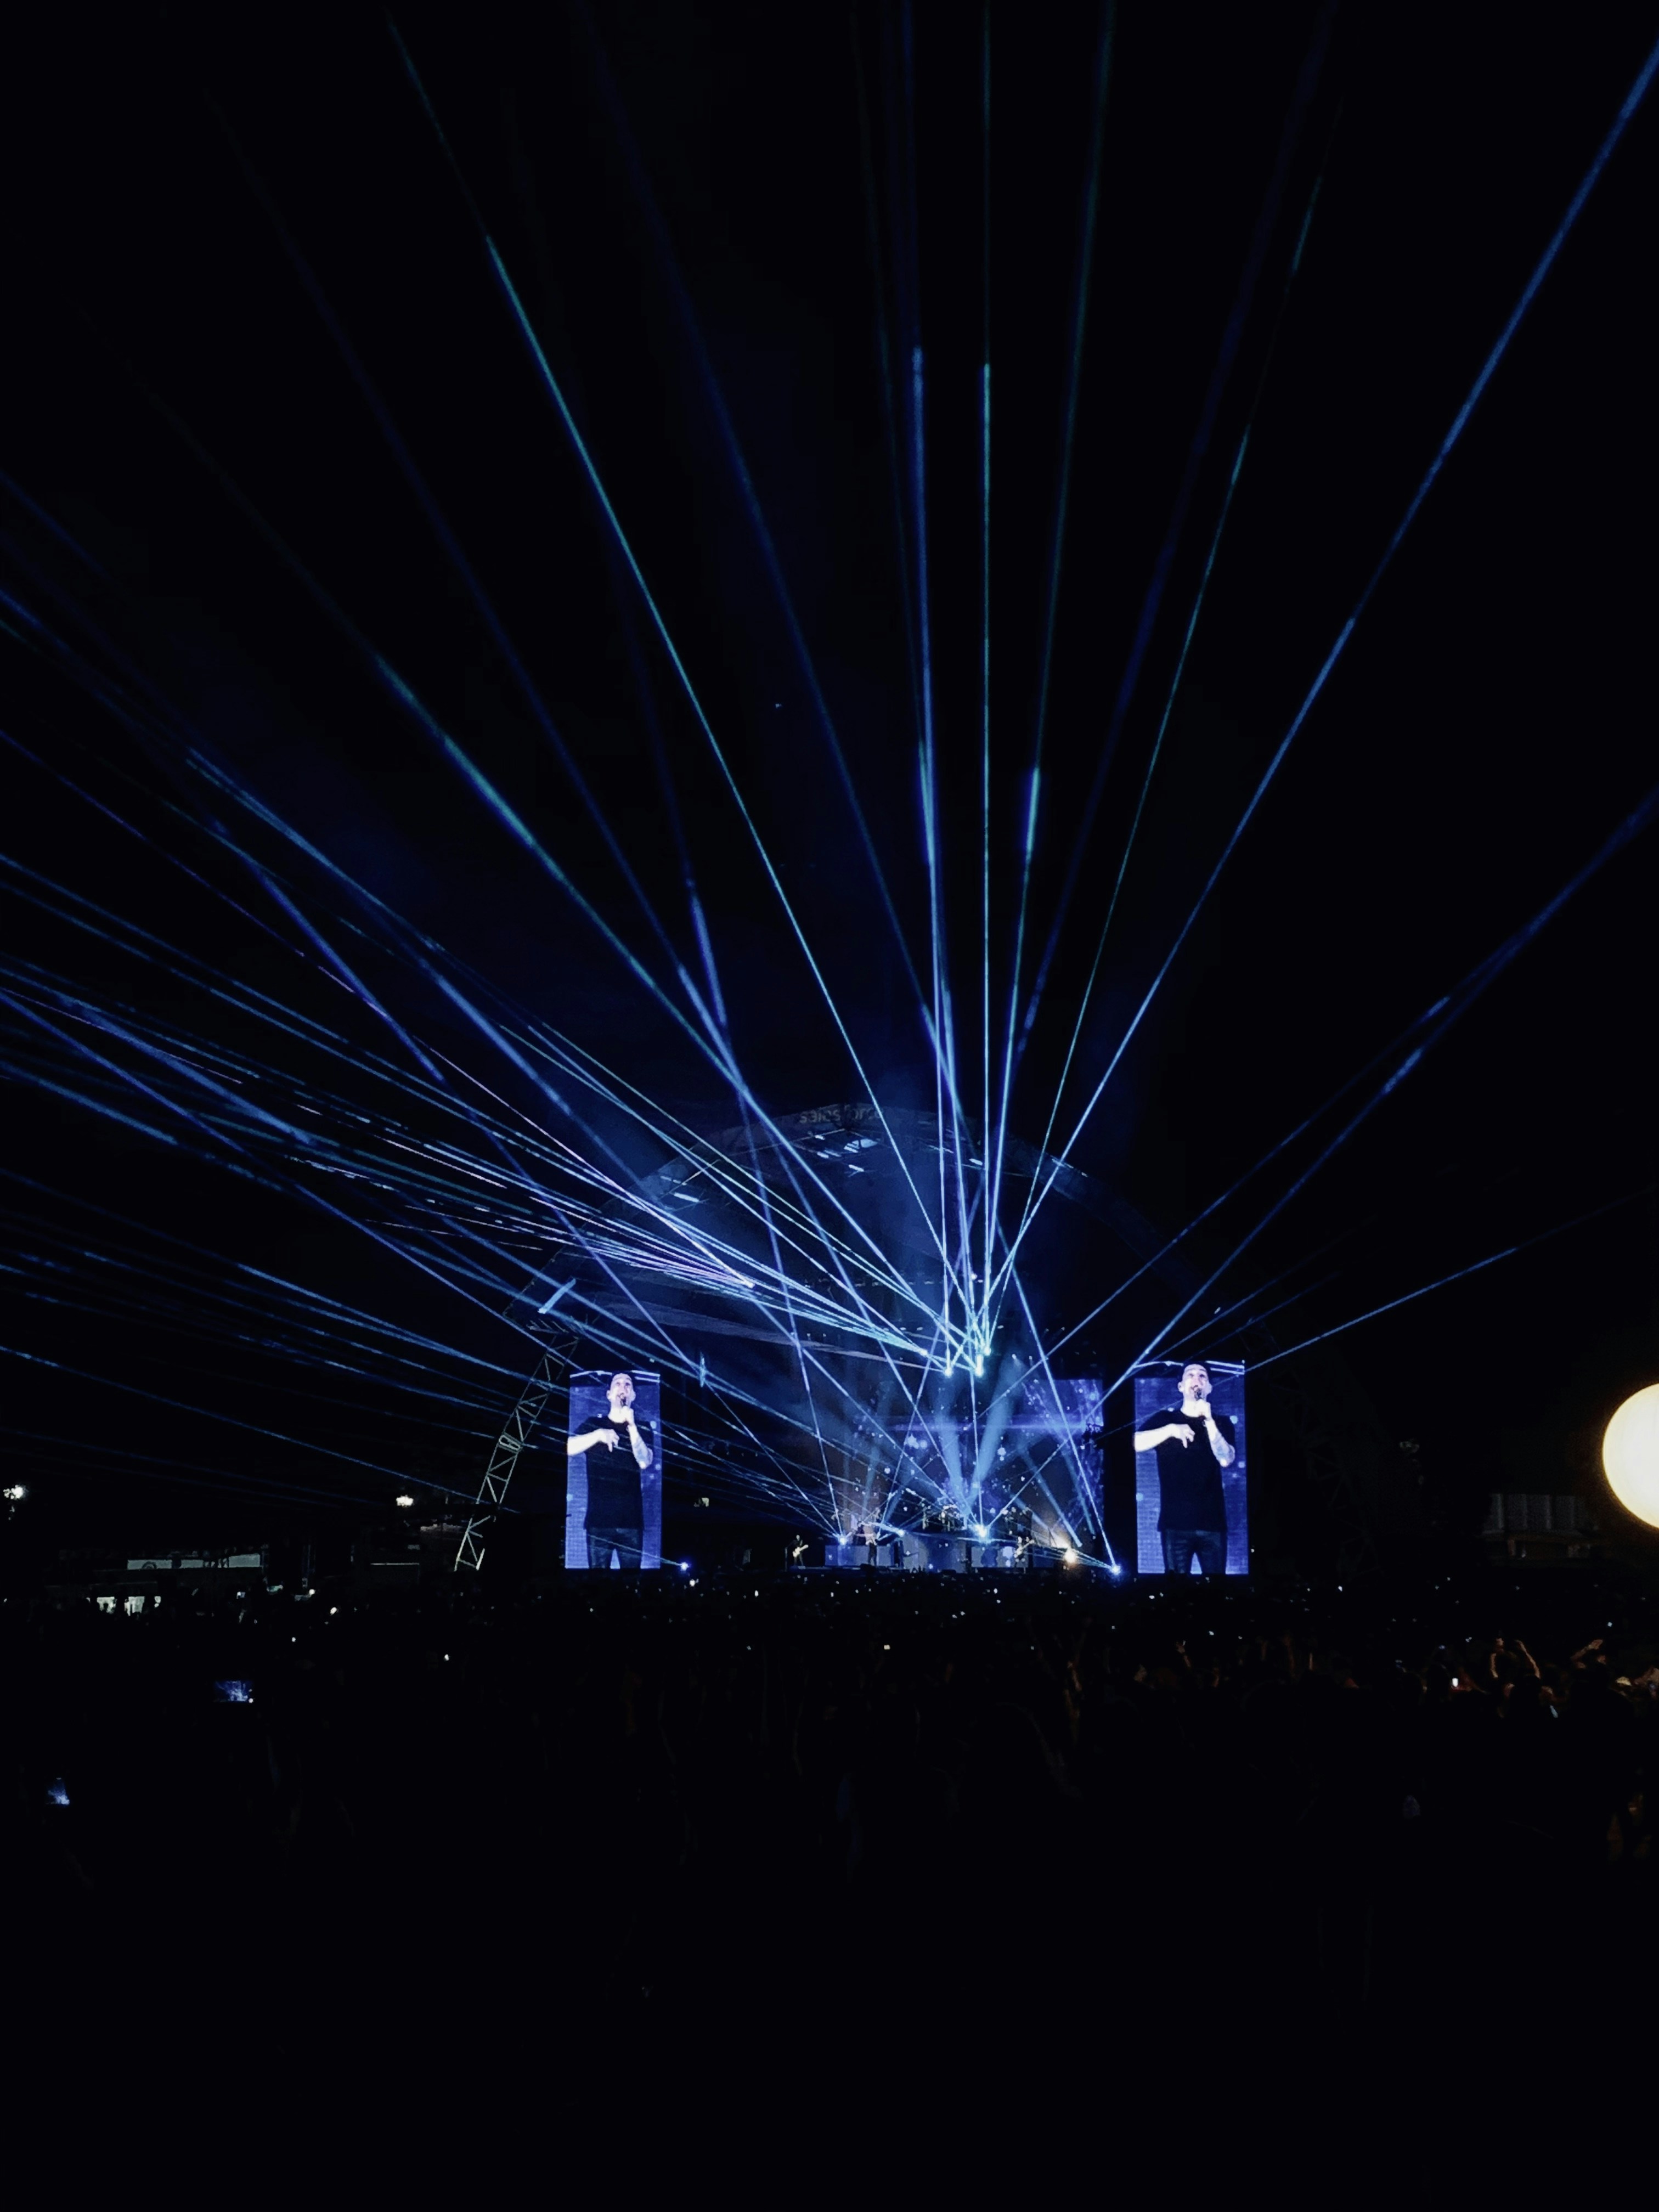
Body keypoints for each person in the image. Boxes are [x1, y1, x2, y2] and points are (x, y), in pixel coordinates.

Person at [1133, 1361, 1237, 1577]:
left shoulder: (1222, 1422)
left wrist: (1209, 1420)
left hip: (1212, 1524)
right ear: (1181, 1386)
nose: (1196, 1379)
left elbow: (1226, 1459)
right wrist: (1171, 1430)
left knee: (1217, 1589)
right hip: (1175, 1524)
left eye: (1202, 1376)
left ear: (1209, 1388)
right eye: (1190, 1375)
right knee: (1176, 1589)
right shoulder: (1166, 1419)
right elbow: (1135, 1443)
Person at [568, 1371, 655, 1570]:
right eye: (618, 1383)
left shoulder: (642, 1427)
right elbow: (569, 1447)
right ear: (609, 1394)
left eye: (628, 1384)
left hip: (631, 1521)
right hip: (599, 1521)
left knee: (632, 1581)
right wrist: (599, 1435)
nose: (623, 1387)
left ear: (633, 1395)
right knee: (597, 1582)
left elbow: (644, 1462)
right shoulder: (594, 1424)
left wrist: (632, 1426)